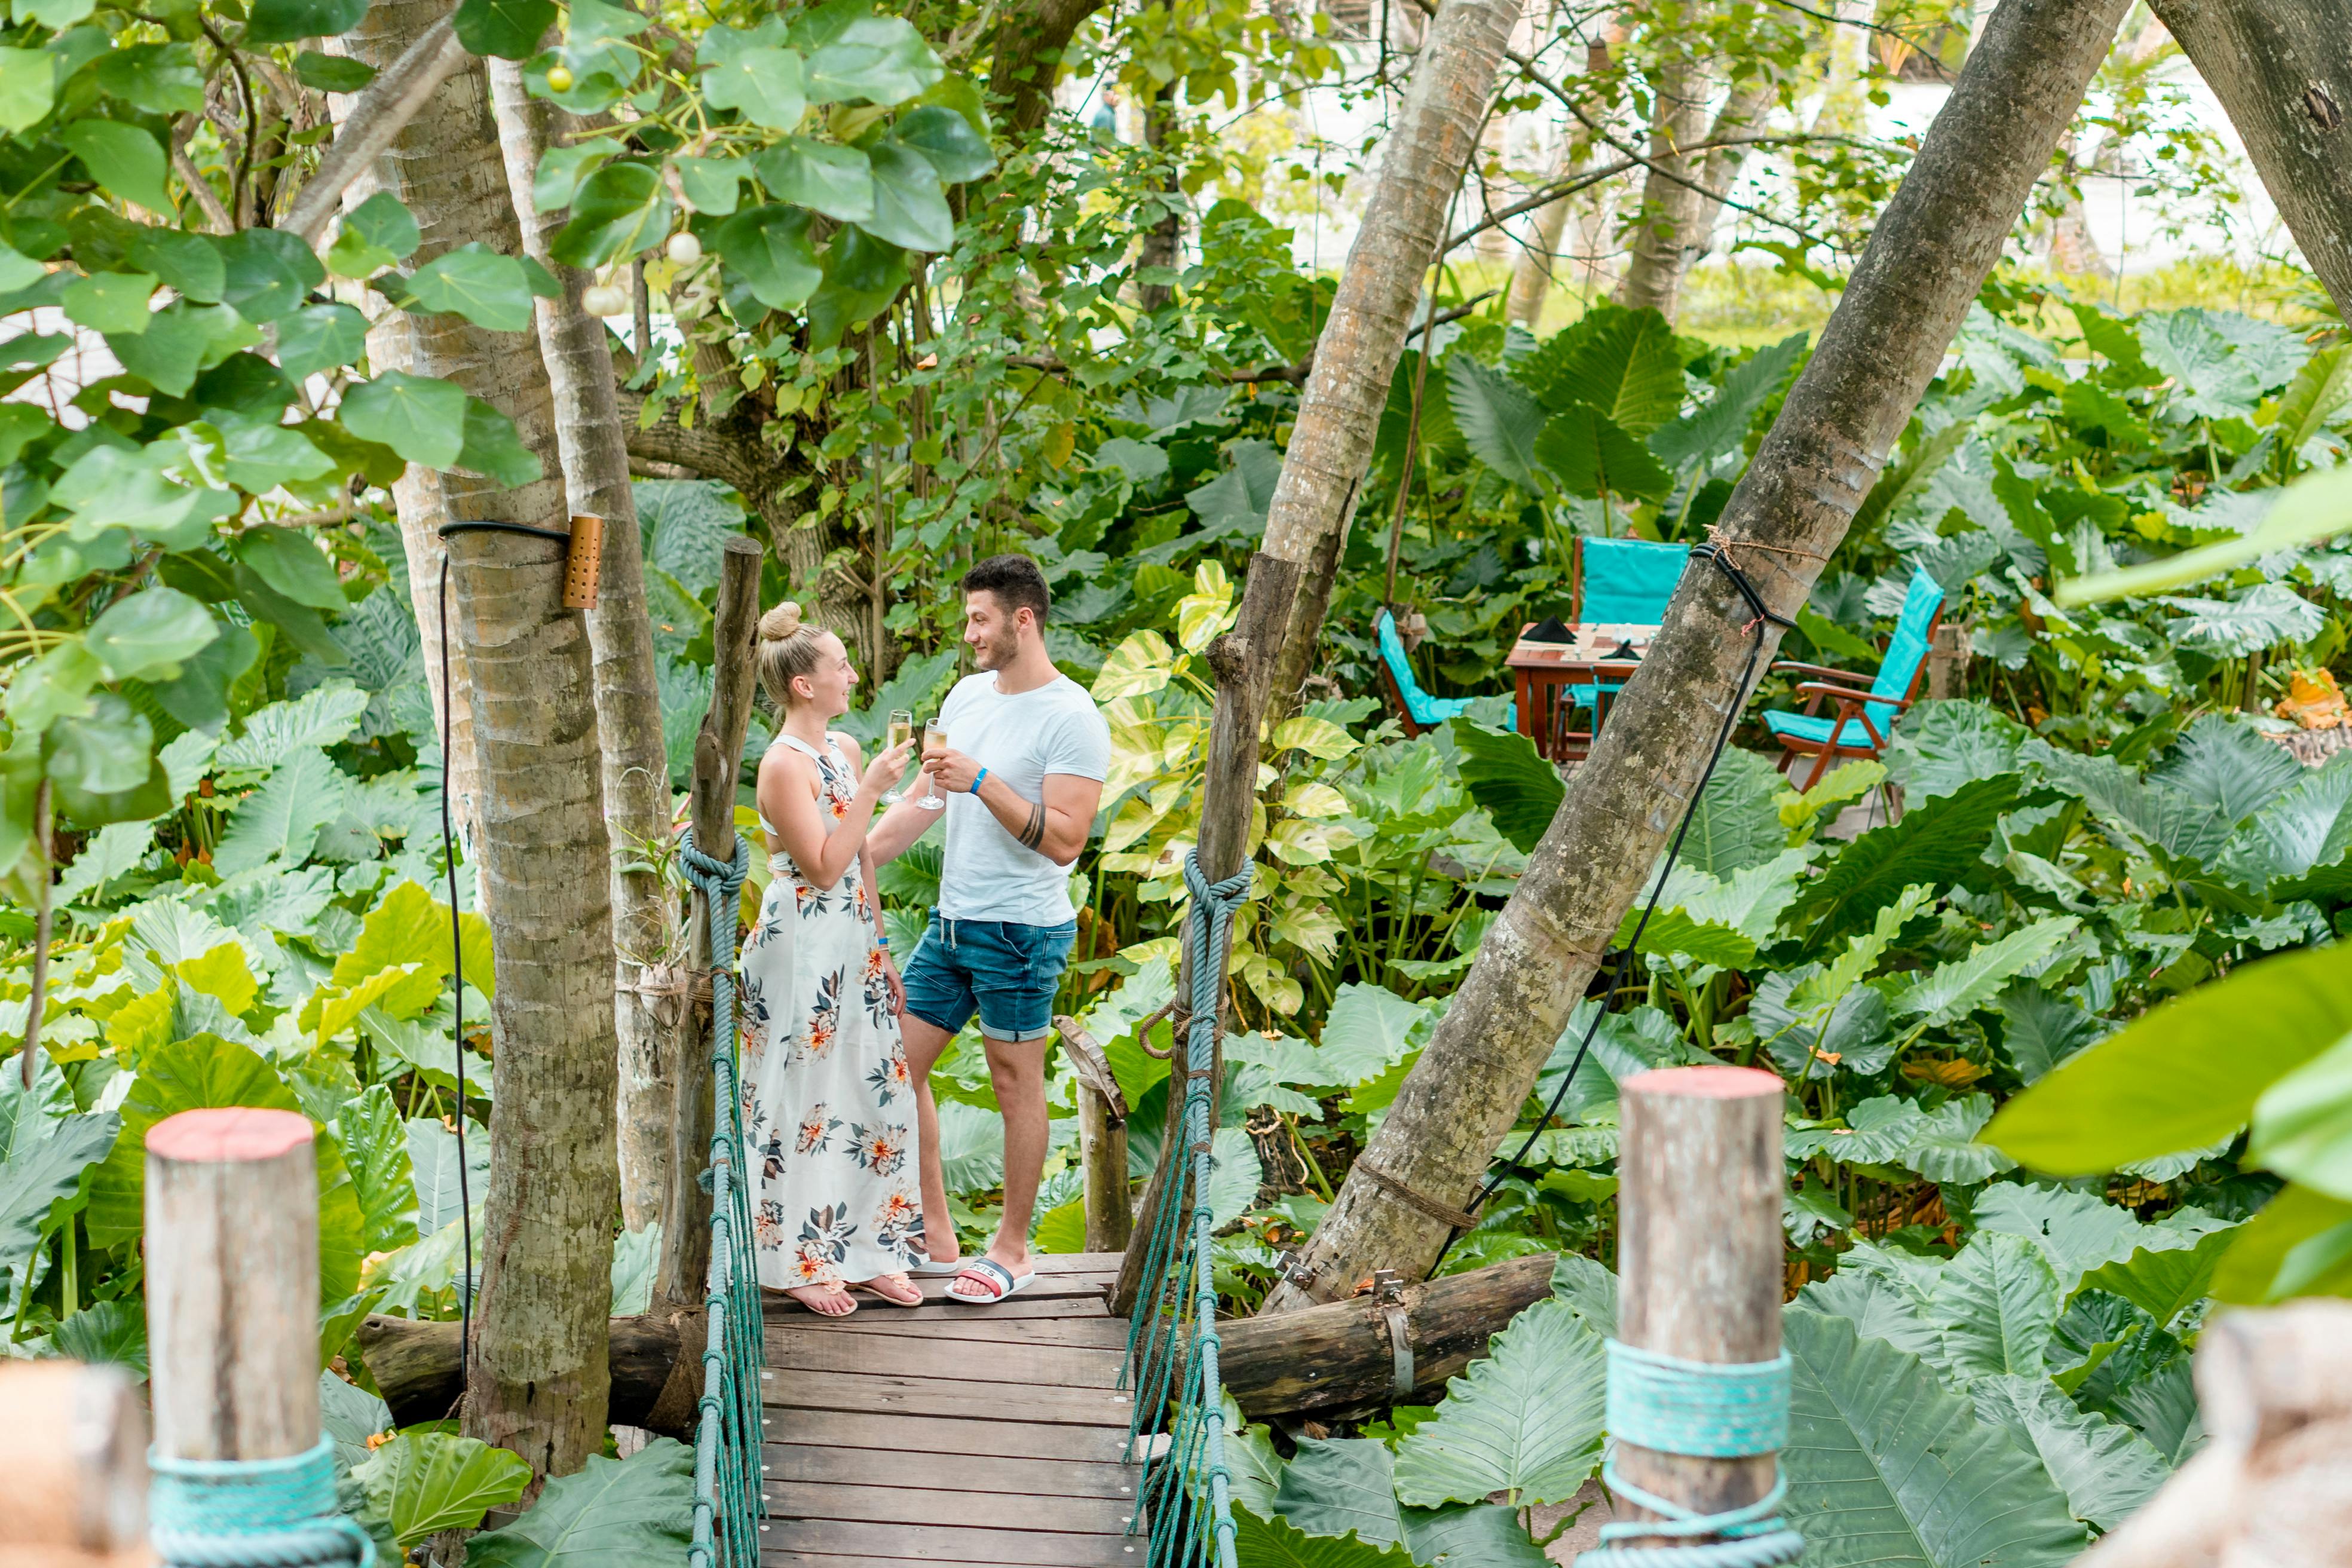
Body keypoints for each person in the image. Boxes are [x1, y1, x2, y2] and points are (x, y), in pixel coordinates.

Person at [870, 555, 1111, 1304]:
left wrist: (982, 779)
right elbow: (925, 800)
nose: (969, 632)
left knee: (1015, 1082)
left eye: (980, 618)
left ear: (1023, 619)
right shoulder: (968, 696)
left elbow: (1066, 840)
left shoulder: (1073, 715)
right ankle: (936, 1233)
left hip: (1022, 932)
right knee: (891, 1071)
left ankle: (1013, 1248)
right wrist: (844, 856)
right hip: (950, 923)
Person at [739, 602, 923, 1316]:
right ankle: (796, 1261)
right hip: (800, 949)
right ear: (803, 686)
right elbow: (820, 866)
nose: (852, 672)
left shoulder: (843, 749)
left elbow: (862, 865)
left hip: (851, 944)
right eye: (839, 664)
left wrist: (882, 948)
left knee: (873, 1090)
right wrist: (876, 790)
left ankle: (870, 1249)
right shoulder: (782, 766)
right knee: (804, 1101)